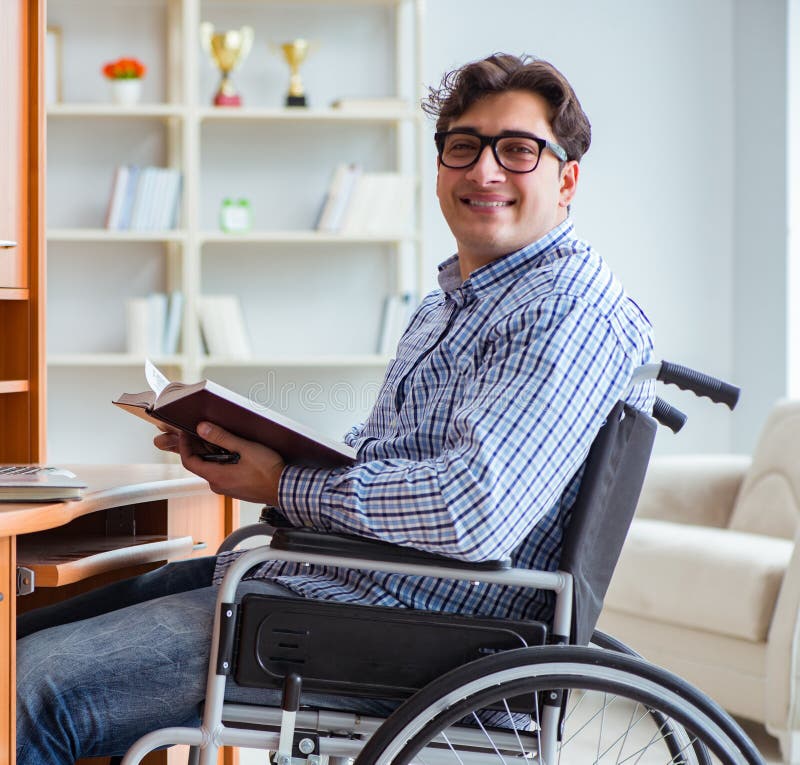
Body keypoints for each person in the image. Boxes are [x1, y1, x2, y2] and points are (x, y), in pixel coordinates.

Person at [16, 53, 654, 764]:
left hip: (402, 627)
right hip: (327, 586)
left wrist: (284, 484)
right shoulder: (453, 303)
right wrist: (263, 452)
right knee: (17, 630)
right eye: (463, 146)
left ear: (566, 179)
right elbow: (387, 457)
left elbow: (470, 509)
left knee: (27, 690)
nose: (484, 171)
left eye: (517, 150)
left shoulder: (569, 312)